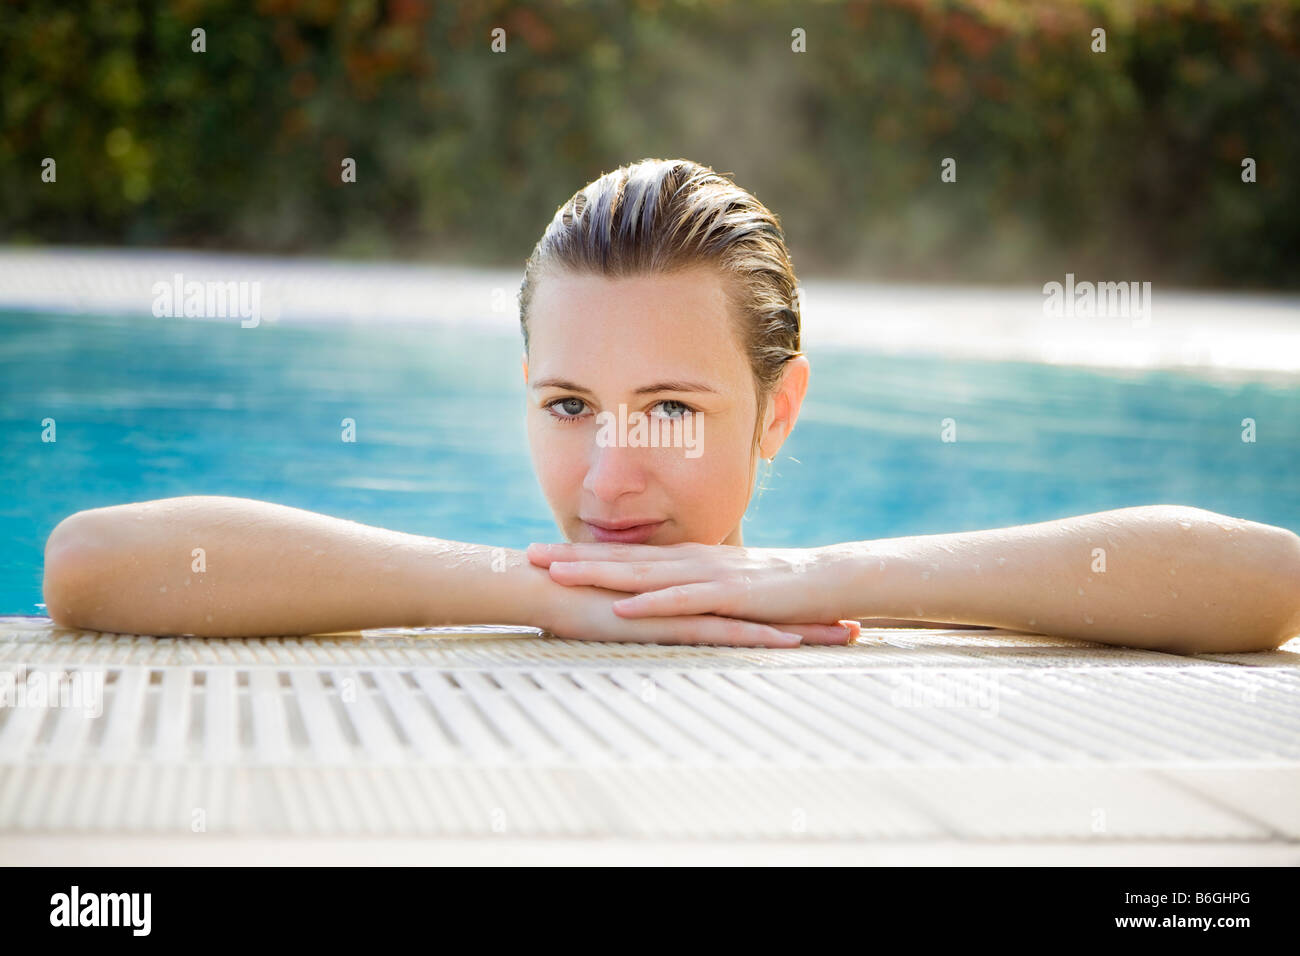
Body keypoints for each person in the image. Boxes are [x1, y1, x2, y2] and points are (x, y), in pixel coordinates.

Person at [41, 159, 1300, 654]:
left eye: (670, 408)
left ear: (778, 410)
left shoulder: (825, 602)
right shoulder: (504, 582)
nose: (605, 482)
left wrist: (824, 573)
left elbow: (1263, 582)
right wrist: (524, 588)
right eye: (569, 402)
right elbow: (89, 563)